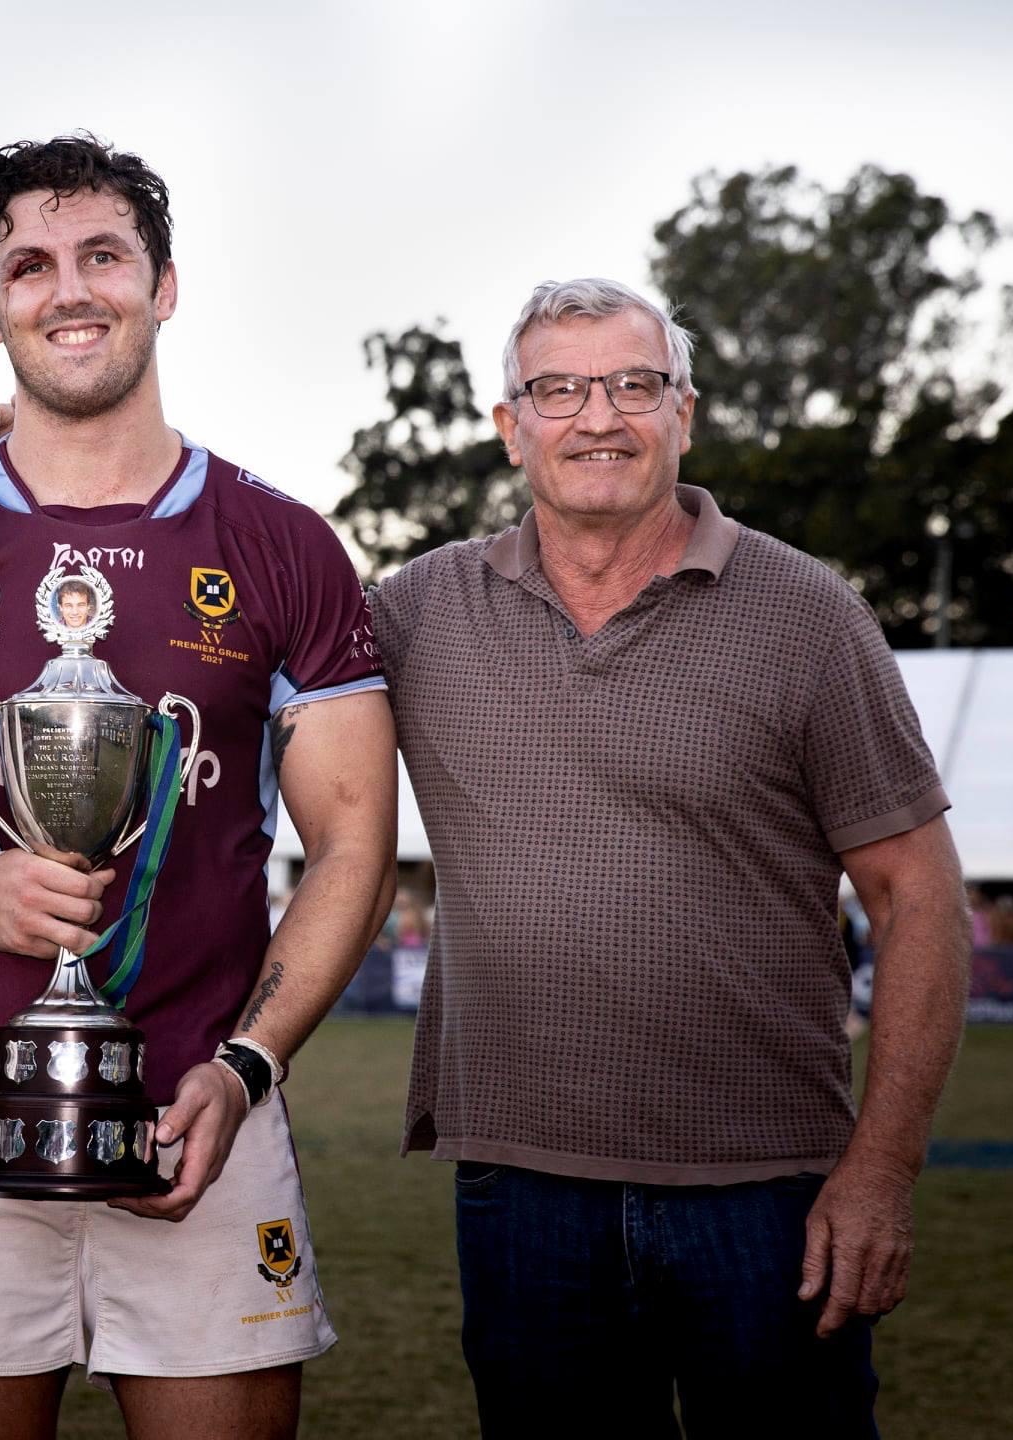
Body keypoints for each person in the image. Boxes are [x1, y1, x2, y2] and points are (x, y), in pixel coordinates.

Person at [0, 134, 396, 1440]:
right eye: (30, 264)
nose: (69, 289)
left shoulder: (282, 547)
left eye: (103, 254)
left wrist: (246, 1066)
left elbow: (351, 843)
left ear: (164, 287)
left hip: (201, 1110)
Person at [366, 280, 969, 1436]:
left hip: (768, 1192)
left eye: (633, 385)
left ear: (683, 414)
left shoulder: (807, 616)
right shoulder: (424, 611)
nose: (599, 415)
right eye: (559, 389)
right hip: (520, 1186)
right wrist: (46, 470)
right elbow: (246, 622)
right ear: (510, 426)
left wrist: (881, 1170)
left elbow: (918, 895)